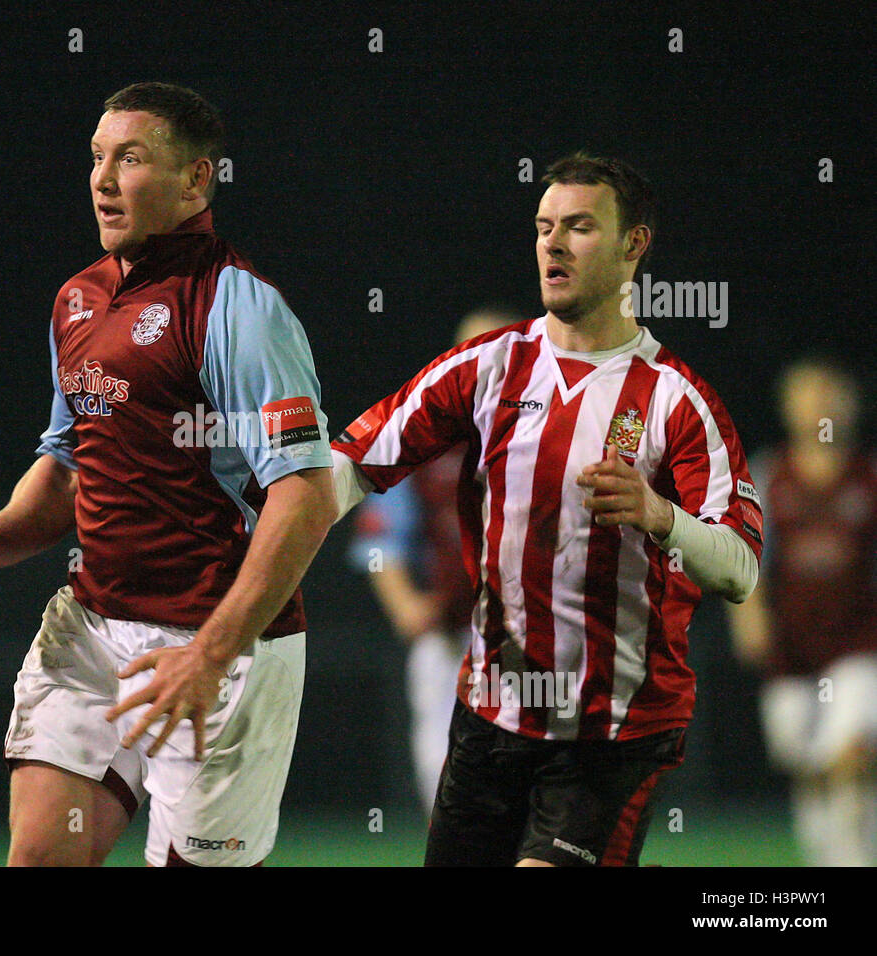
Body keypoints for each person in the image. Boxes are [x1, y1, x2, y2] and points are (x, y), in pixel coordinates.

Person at [0, 82, 336, 867]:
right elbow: (72, 465)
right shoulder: (77, 300)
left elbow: (306, 497)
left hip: (224, 646)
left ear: (196, 181)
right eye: (97, 158)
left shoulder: (236, 305)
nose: (103, 179)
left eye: (131, 159)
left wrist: (209, 655)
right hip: (97, 631)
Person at [328, 152, 763, 866]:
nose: (553, 244)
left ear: (635, 246)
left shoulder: (677, 400)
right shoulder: (486, 367)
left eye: (580, 227)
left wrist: (660, 515)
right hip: (491, 718)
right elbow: (350, 468)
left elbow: (742, 568)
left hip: (610, 735)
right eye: (543, 227)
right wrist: (251, 525)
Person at [347, 308, 517, 816]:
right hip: (452, 633)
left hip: (542, 637)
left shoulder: (556, 431)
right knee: (447, 775)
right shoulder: (426, 438)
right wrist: (406, 605)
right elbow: (379, 535)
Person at [728, 356, 877, 866]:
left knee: (852, 751)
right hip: (791, 650)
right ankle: (830, 858)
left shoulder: (868, 479)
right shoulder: (770, 477)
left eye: (829, 398)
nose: (820, 410)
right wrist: (748, 617)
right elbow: (743, 558)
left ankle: (856, 856)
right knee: (809, 766)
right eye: (808, 399)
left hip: (858, 643)